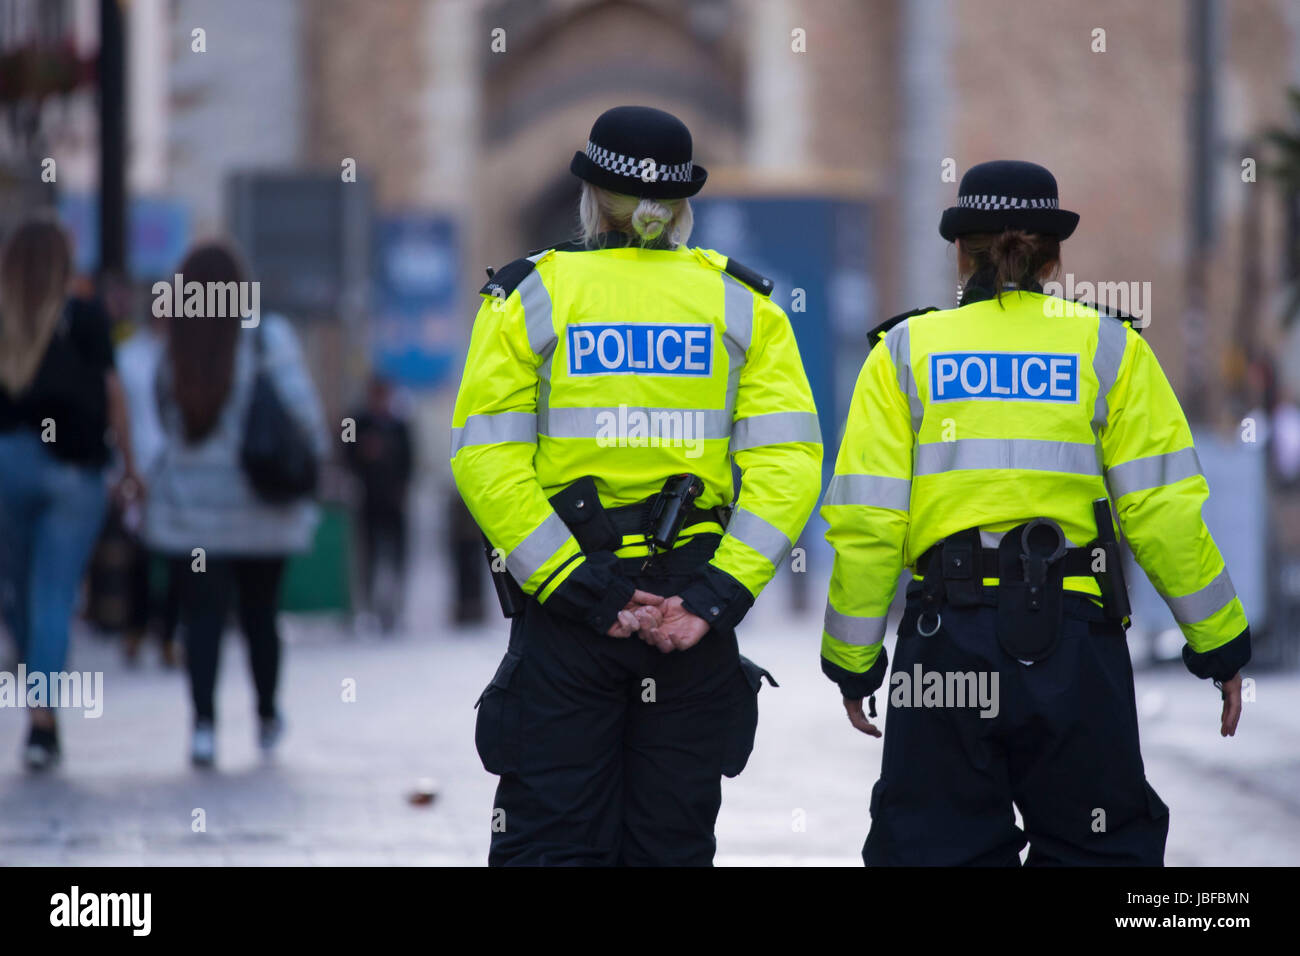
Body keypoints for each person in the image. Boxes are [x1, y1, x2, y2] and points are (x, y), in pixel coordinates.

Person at [820, 160, 1251, 866]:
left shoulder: (904, 351)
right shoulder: (1111, 347)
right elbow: (1164, 513)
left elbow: (869, 523)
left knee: (934, 848)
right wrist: (1222, 644)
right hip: (1077, 648)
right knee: (1099, 850)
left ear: (962, 253)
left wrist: (853, 661)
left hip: (946, 642)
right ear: (1054, 257)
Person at [451, 105, 822, 866]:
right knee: (670, 843)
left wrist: (584, 589)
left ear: (590, 199)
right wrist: (715, 597)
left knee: (550, 840)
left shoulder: (529, 295)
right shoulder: (742, 305)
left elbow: (486, 460)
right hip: (689, 614)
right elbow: (790, 465)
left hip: (570, 615)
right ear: (683, 208)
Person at [144, 240, 327, 767]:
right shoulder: (268, 338)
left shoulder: (175, 342)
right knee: (260, 615)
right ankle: (267, 716)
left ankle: (203, 727)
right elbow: (307, 418)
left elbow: (163, 415)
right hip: (261, 511)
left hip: (191, 512)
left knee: (200, 619)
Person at [0, 217, 141, 770]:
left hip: (7, 464)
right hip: (72, 473)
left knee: (17, 589)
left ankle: (33, 667)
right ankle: (42, 720)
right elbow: (113, 396)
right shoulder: (84, 317)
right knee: (54, 594)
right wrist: (129, 469)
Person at [343, 375, 413, 634]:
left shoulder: (399, 424)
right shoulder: (357, 421)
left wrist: (403, 488)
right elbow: (345, 448)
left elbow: (409, 459)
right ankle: (366, 611)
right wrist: (361, 451)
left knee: (397, 558)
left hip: (394, 503)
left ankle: (394, 610)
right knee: (367, 557)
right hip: (367, 501)